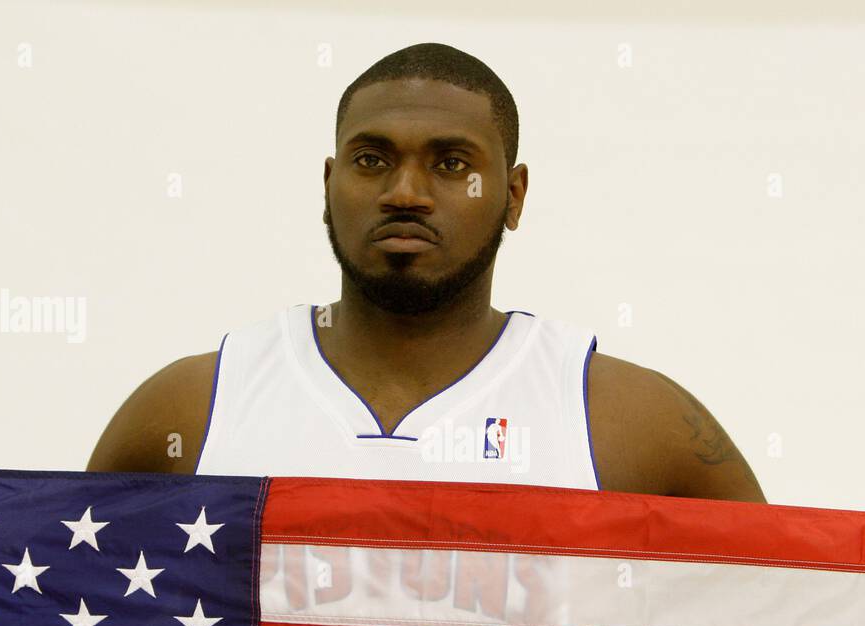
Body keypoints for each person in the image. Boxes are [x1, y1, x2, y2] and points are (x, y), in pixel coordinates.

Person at [88, 43, 765, 503]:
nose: (405, 191)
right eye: (372, 160)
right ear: (328, 184)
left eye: (450, 164)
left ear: (515, 194)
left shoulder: (629, 424)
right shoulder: (190, 411)